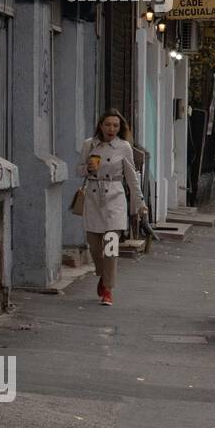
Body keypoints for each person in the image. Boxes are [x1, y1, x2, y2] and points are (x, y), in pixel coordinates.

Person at [77, 110, 145, 306]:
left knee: (111, 246)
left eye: (115, 125)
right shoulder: (89, 144)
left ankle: (107, 289)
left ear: (120, 128)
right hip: (93, 195)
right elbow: (79, 168)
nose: (111, 129)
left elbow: (132, 177)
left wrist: (139, 202)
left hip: (115, 197)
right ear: (101, 125)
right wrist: (87, 169)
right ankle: (103, 275)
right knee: (95, 246)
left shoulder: (124, 147)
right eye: (108, 125)